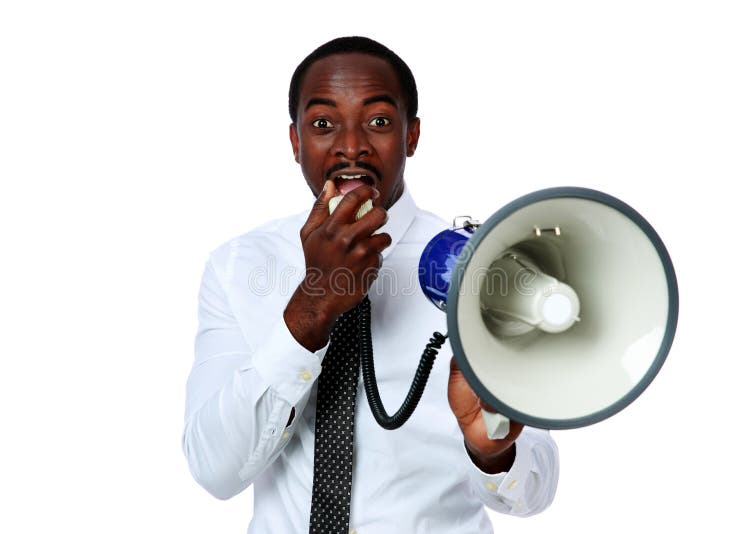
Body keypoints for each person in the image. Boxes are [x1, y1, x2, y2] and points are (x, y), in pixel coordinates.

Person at [183, 36, 559, 533]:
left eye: (379, 121)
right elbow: (214, 470)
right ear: (296, 142)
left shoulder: (479, 266)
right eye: (322, 124)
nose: (351, 145)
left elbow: (537, 489)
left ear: (411, 136)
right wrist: (311, 306)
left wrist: (492, 449)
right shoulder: (237, 266)